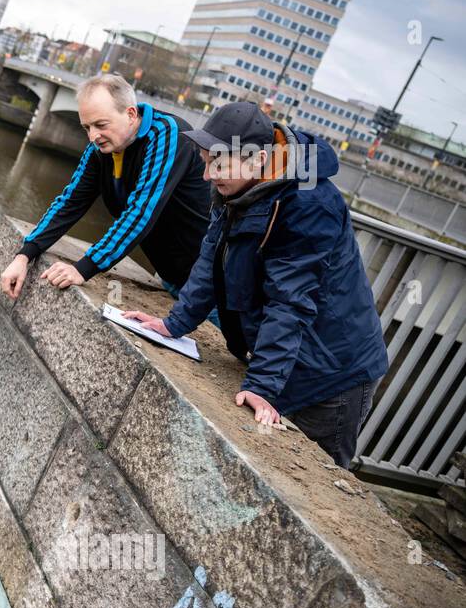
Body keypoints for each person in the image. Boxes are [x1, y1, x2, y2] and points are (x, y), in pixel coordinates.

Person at [123, 101, 388, 468]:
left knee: (316, 478)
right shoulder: (236, 187)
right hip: (290, 357)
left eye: (216, 163)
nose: (206, 176)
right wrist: (173, 325)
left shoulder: (310, 203)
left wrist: (261, 385)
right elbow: (212, 261)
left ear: (259, 158)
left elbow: (290, 301)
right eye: (204, 161)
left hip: (332, 375)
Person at [0, 73, 214, 307]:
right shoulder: (102, 148)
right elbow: (71, 201)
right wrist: (24, 255)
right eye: (86, 127)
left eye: (101, 125)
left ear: (131, 114)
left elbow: (141, 211)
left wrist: (84, 268)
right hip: (169, 277)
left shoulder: (168, 134)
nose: (93, 136)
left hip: (211, 285)